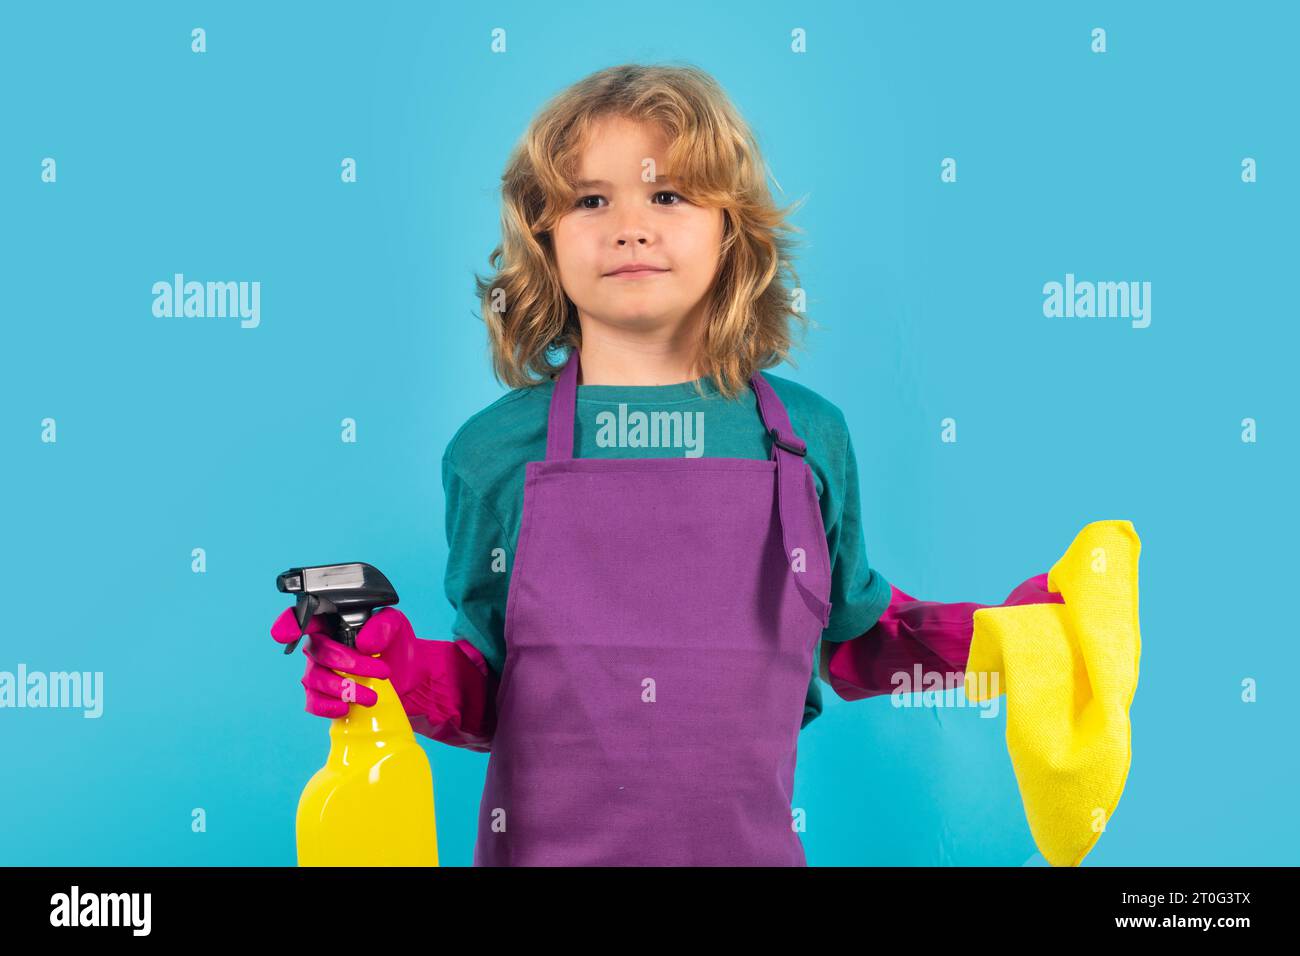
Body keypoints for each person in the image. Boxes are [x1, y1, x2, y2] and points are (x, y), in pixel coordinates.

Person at [271, 63, 1056, 866]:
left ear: (732, 232)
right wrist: (395, 669)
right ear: (544, 240)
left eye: (670, 195)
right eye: (590, 199)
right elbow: (487, 693)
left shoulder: (808, 439)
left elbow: (853, 640)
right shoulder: (491, 453)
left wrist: (1012, 638)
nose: (631, 226)